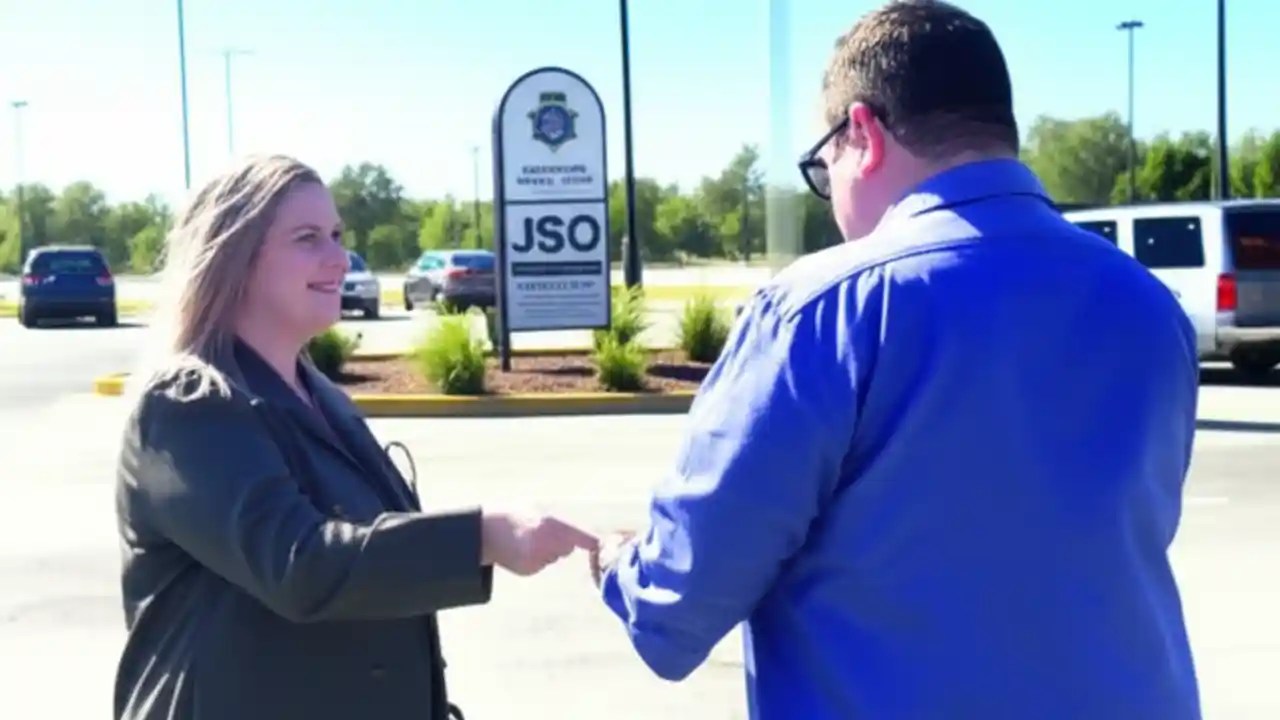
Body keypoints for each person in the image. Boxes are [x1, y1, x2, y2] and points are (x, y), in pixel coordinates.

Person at [588, 1, 1202, 718]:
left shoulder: (823, 309)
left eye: (824, 167)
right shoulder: (1149, 305)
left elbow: (674, 610)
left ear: (861, 133)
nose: (830, 198)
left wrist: (615, 560)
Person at [113, 154, 598, 720]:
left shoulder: (320, 398)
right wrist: (482, 536)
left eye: (337, 235)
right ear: (233, 258)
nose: (339, 259)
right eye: (308, 238)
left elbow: (370, 594)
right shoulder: (187, 406)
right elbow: (302, 565)